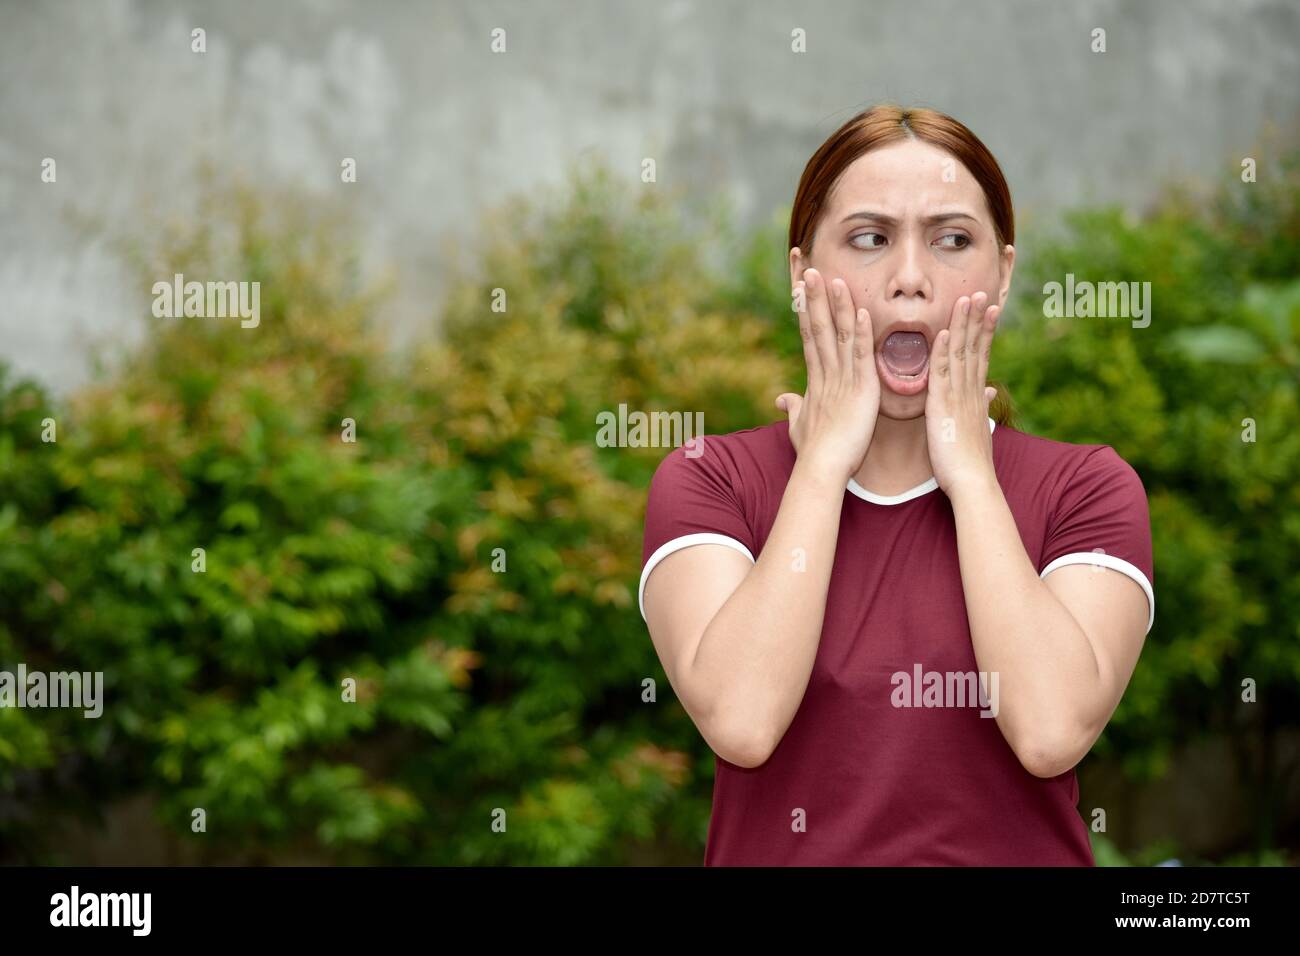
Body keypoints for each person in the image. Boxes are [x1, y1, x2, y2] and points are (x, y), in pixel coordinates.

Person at [638, 105, 1154, 866]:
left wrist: (971, 477)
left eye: (951, 241)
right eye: (870, 239)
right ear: (799, 272)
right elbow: (742, 721)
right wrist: (820, 467)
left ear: (1003, 274)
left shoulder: (1087, 489)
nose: (910, 280)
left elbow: (1049, 733)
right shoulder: (710, 480)